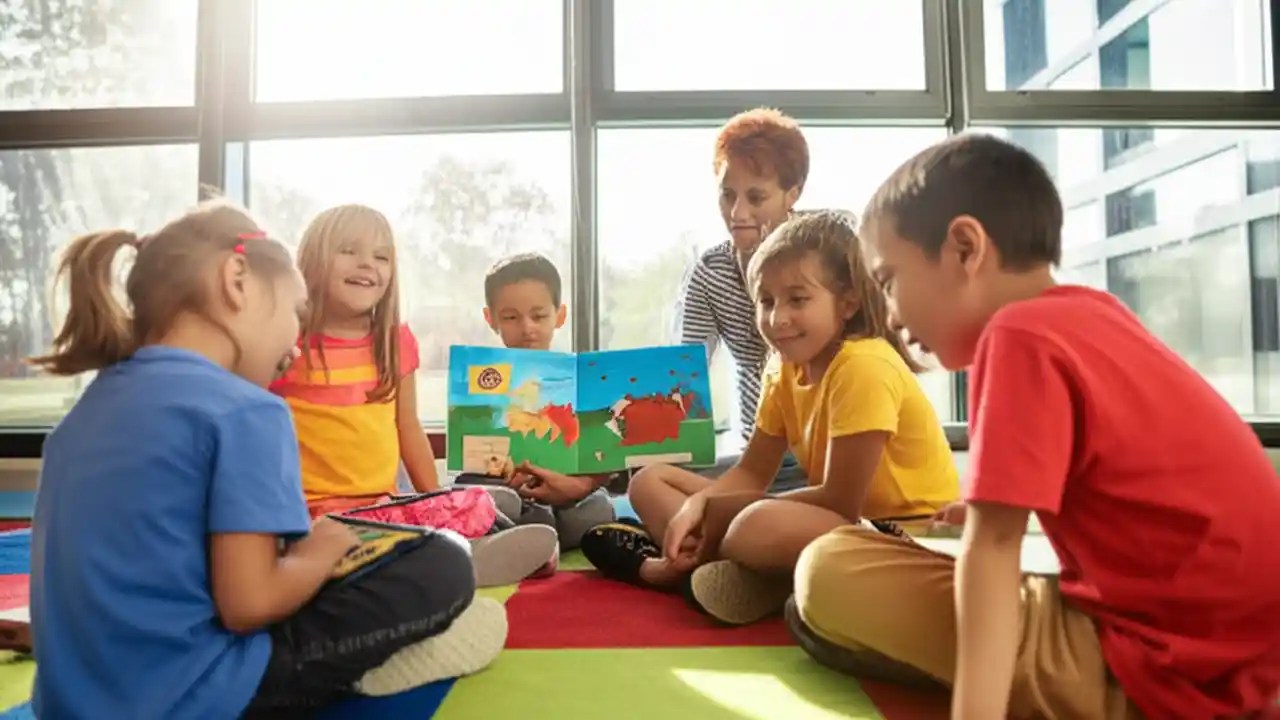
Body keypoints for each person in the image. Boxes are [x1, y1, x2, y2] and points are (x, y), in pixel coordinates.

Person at [792, 134, 1280, 719]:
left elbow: (995, 546)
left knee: (826, 570)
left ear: (965, 248)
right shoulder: (1093, 314)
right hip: (1247, 648)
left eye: (890, 281)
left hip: (1172, 670)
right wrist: (981, 511)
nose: (891, 313)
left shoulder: (1017, 336)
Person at [26, 200, 505, 719]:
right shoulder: (246, 410)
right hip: (192, 697)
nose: (293, 344)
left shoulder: (85, 413)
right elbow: (248, 605)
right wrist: (319, 554)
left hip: (67, 702)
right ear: (237, 280)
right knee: (442, 563)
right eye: (294, 313)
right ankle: (371, 667)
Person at [582, 210, 958, 625]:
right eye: (766, 301)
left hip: (905, 535)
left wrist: (716, 513)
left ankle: (675, 569)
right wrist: (701, 503)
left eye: (798, 300)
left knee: (752, 526)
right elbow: (751, 473)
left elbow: (840, 498)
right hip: (835, 526)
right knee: (649, 480)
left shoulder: (863, 365)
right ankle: (742, 571)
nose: (777, 318)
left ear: (847, 302)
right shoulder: (782, 368)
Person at [273, 205, 555, 586]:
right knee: (366, 549)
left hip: (384, 506)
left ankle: (461, 542)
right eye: (349, 251)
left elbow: (408, 429)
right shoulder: (285, 342)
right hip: (316, 520)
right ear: (312, 258)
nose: (366, 264)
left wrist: (437, 500)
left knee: (467, 503)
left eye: (381, 257)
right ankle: (462, 557)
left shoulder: (393, 342)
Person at [675, 106, 811, 490]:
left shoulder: (826, 256)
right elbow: (685, 372)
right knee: (650, 481)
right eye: (728, 195)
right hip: (754, 457)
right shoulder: (710, 271)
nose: (738, 213)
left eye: (756, 197)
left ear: (793, 194)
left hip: (822, 452)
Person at [453, 252, 617, 551]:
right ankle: (530, 535)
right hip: (507, 485)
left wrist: (582, 485)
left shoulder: (582, 378)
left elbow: (601, 453)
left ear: (560, 315)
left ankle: (533, 537)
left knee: (597, 509)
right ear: (491, 319)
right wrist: (500, 471)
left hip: (569, 492)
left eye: (539, 316)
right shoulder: (481, 375)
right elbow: (472, 448)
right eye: (511, 317)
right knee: (480, 494)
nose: (527, 327)